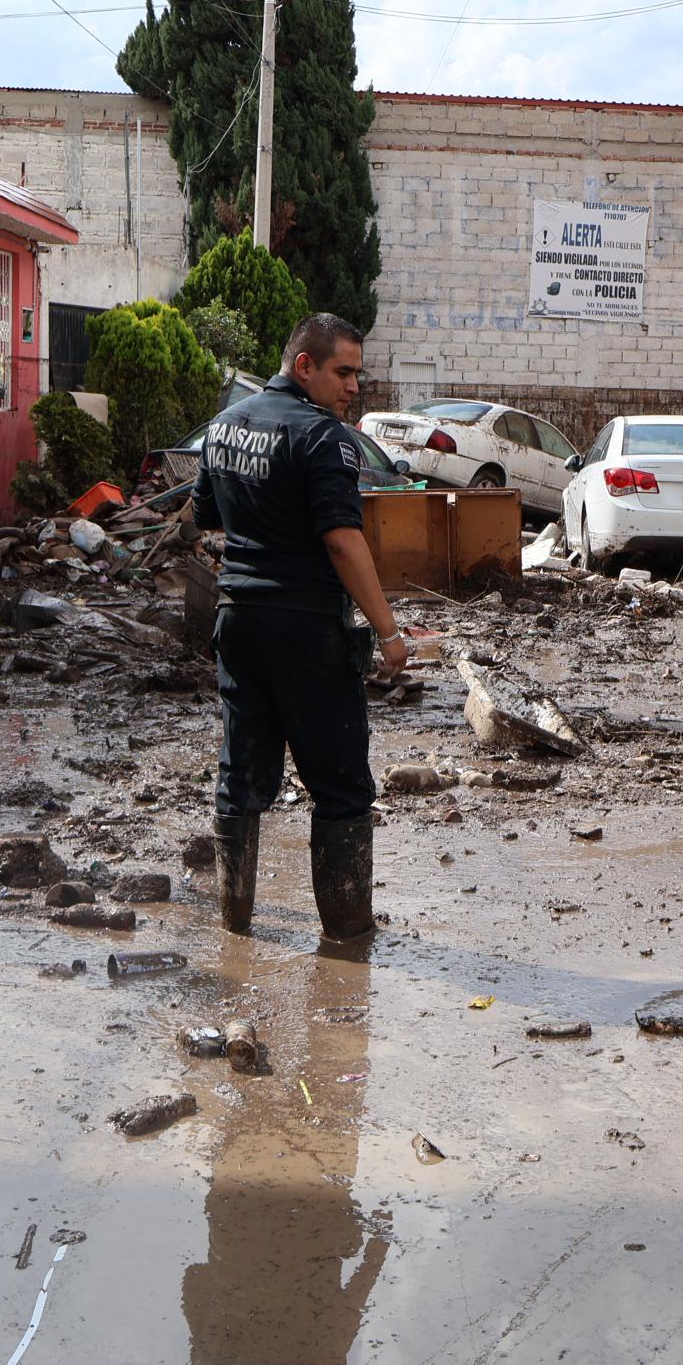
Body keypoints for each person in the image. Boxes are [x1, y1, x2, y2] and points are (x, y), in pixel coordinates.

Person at [191, 314, 410, 942]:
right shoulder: (325, 438)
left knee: (240, 776)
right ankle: (347, 940)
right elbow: (342, 541)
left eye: (357, 375)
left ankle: (234, 928)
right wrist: (389, 633)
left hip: (238, 623)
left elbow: (206, 514)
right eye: (344, 373)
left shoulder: (226, 425)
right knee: (341, 788)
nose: (354, 388)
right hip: (308, 629)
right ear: (305, 366)